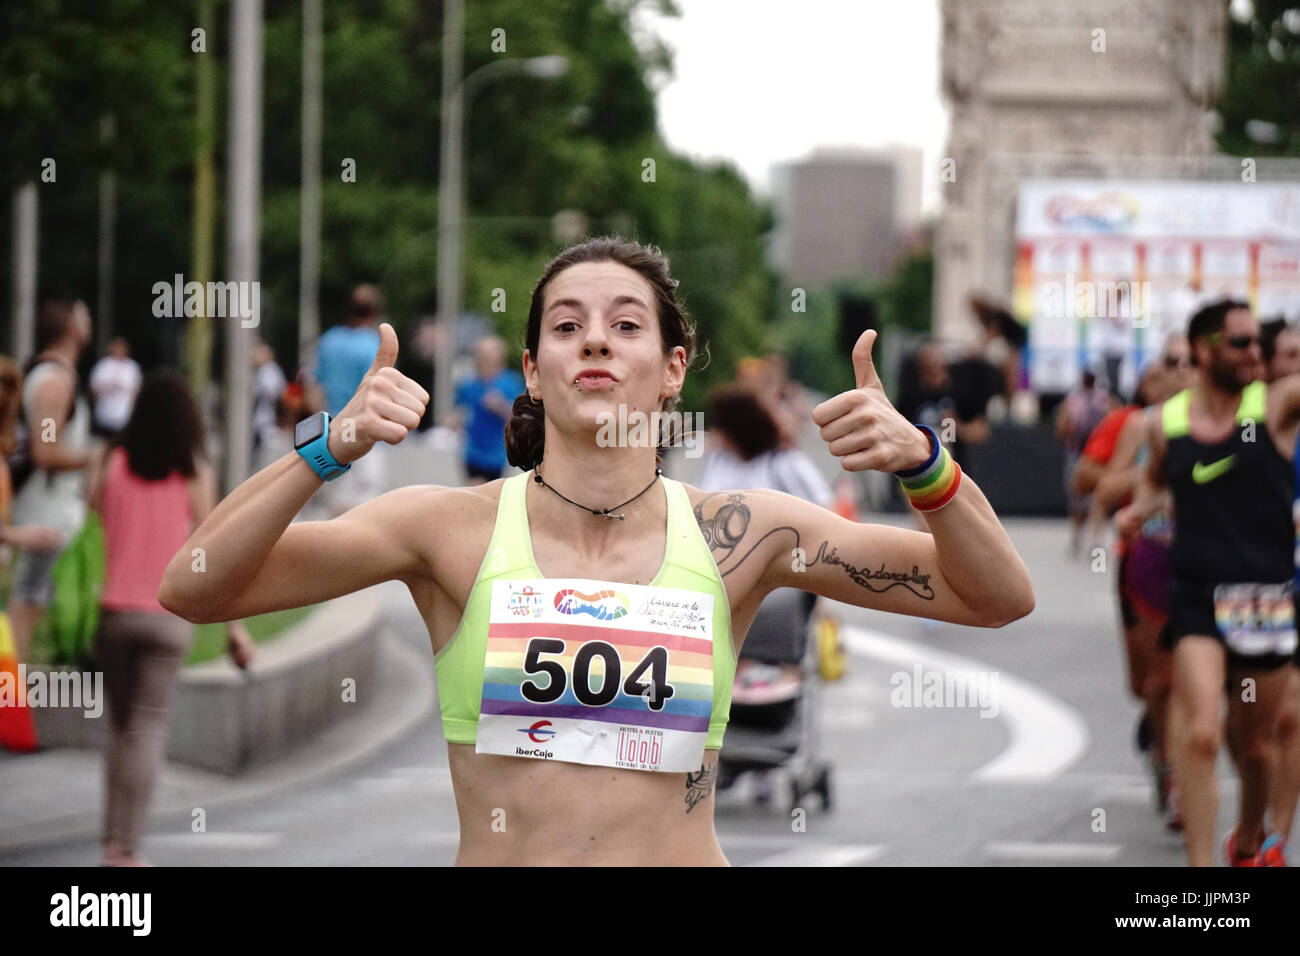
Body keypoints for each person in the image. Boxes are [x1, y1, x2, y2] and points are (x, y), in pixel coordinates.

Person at [159, 236, 1034, 866]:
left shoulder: (745, 536)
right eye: (567, 326)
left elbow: (995, 595)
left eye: (625, 325)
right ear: (534, 368)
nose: (596, 342)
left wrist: (926, 464)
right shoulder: (444, 529)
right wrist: (328, 446)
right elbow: (194, 587)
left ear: (673, 367)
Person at [1117, 299, 1300, 866]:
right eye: (1240, 343)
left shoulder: (1273, 405)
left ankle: (1248, 839)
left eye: (1257, 344)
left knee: (1258, 745)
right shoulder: (1164, 422)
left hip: (1264, 599)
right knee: (1200, 733)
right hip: (1196, 598)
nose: (1254, 354)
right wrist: (1136, 511)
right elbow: (1153, 487)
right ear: (1203, 349)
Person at [87, 368, 254, 866]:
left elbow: (93, 510)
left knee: (119, 731)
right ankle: (127, 849)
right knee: (148, 729)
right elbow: (215, 551)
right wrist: (235, 628)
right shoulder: (195, 471)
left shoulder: (111, 460)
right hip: (167, 617)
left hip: (114, 614)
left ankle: (109, 840)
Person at [1097, 337, 1194, 828]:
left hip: (1207, 563)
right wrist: (1154, 483)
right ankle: (1161, 749)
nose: (1183, 372)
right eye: (1172, 363)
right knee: (1149, 685)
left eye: (1191, 362)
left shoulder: (1231, 424)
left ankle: (1181, 774)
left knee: (1186, 680)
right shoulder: (1143, 424)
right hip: (1147, 557)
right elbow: (1105, 485)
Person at [8, 297, 98, 663]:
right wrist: (94, 458)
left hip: (48, 509)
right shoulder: (54, 384)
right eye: (84, 314)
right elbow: (46, 452)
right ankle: (10, 699)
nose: (89, 320)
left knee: (33, 599)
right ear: (70, 328)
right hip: (47, 513)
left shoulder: (53, 378)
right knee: (27, 601)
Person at [1257, 317, 1300, 865]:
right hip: (1255, 584)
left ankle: (1276, 841)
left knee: (1292, 716)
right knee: (1252, 721)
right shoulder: (1245, 422)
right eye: (1289, 355)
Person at [310, 285, 385, 515]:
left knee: (334, 501)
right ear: (375, 313)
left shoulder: (328, 341)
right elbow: (379, 390)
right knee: (365, 508)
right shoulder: (375, 345)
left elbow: (314, 388)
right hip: (366, 432)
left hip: (334, 429)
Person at [1057, 370, 1114, 555]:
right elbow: (1062, 427)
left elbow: (1113, 422)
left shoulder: (1104, 399)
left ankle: (1096, 539)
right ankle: (1078, 533)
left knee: (1099, 496)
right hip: (1077, 454)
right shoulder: (1073, 400)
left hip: (1098, 456)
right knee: (1076, 497)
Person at [453, 336, 524, 484]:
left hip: (498, 454)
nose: (485, 357)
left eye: (490, 353)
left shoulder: (510, 382)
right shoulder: (468, 383)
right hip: (472, 453)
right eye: (482, 353)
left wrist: (500, 406)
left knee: (493, 497)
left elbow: (520, 418)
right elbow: (457, 412)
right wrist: (456, 421)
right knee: (477, 490)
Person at [88, 338, 141, 439]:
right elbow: (93, 388)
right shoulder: (103, 365)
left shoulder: (131, 367)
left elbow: (136, 390)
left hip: (123, 415)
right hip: (105, 415)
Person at [251, 338, 287, 451]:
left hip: (267, 422)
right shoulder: (267, 370)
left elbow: (273, 392)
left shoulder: (268, 370)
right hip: (264, 421)